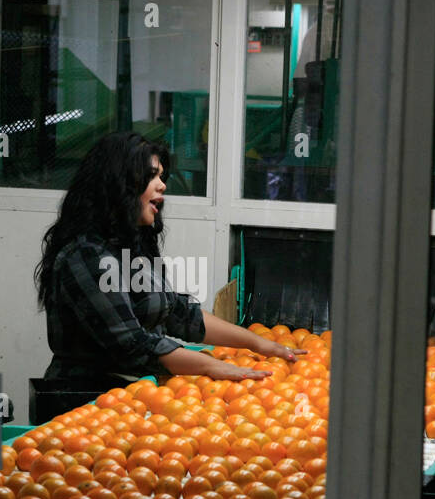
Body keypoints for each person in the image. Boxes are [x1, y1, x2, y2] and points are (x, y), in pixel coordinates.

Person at [35, 132, 302, 387]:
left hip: (137, 392)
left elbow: (177, 313)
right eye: (151, 176)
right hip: (85, 400)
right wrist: (213, 366)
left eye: (162, 176)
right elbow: (131, 344)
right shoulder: (86, 255)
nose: (162, 185)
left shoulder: (131, 246)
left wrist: (258, 343)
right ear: (119, 184)